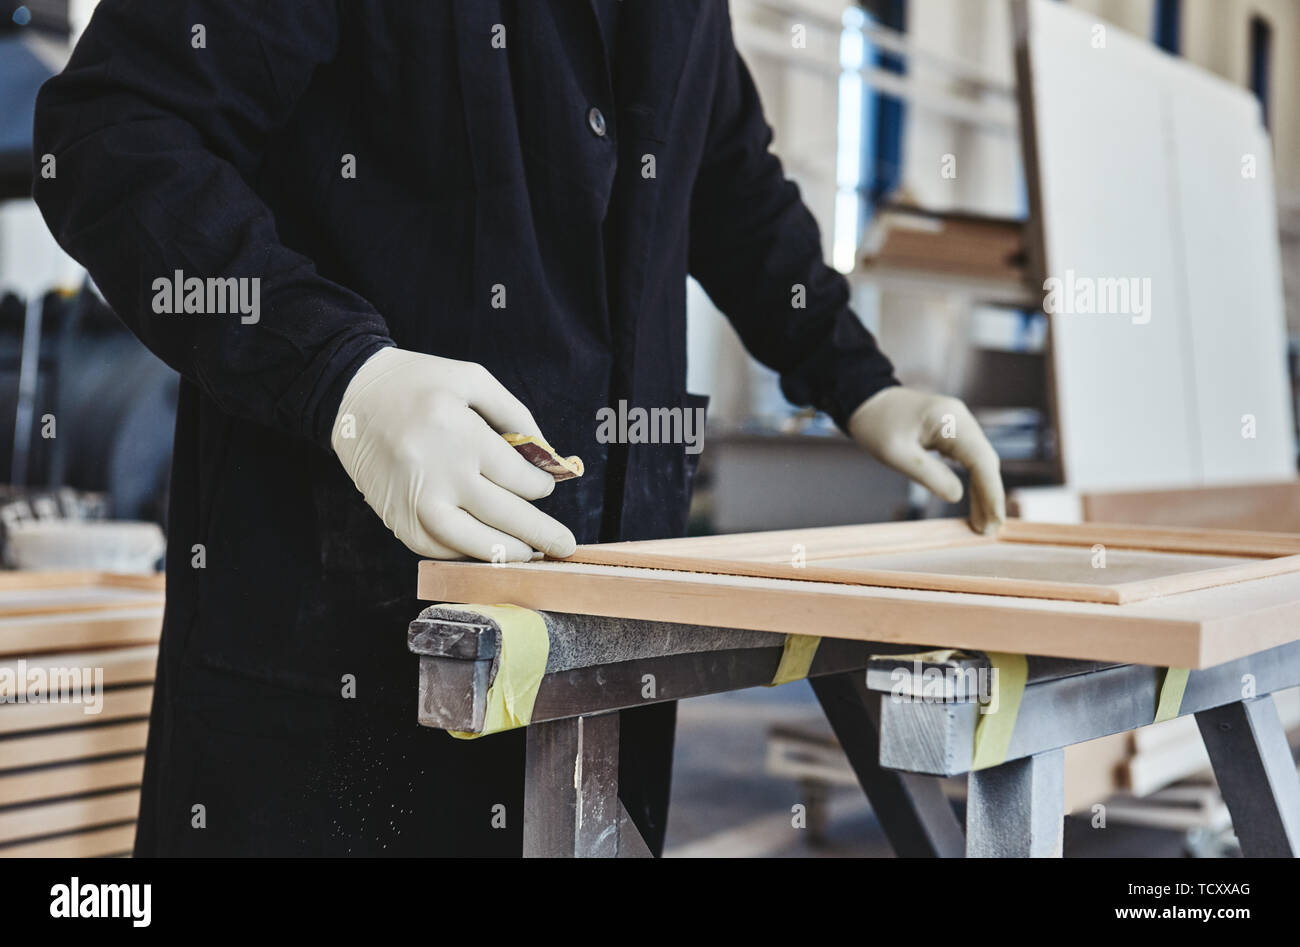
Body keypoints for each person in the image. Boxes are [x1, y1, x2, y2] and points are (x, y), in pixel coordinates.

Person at [33, 0, 1004, 856]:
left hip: (610, 644)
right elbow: (114, 134)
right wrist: (341, 373)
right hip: (332, 655)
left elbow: (729, 183)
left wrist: (861, 382)